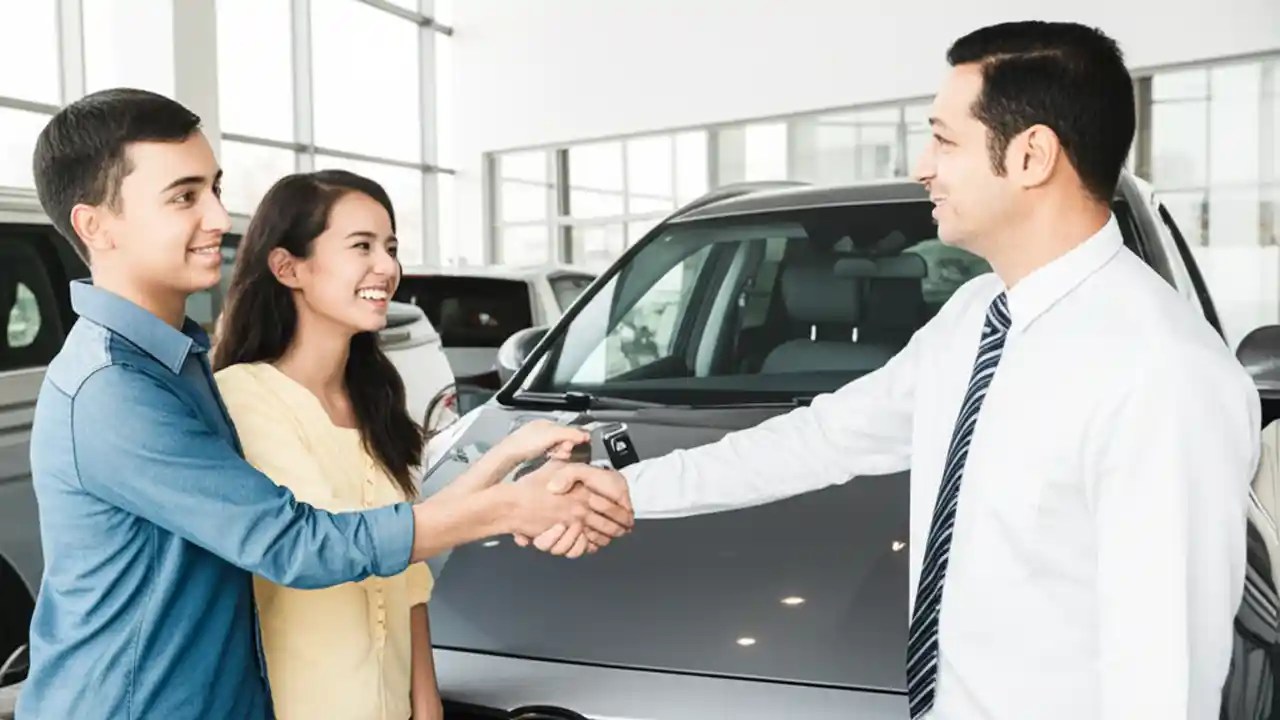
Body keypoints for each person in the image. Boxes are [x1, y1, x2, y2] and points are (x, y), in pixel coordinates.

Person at [527, 21, 1261, 720]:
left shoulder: (1163, 376)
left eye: (943, 139)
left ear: (1031, 156)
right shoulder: (976, 317)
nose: (922, 167)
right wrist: (627, 488)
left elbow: (1164, 682)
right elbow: (821, 439)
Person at [19, 88, 632, 720]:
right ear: (96, 225)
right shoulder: (114, 388)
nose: (219, 218)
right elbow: (299, 545)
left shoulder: (175, 362)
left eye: (214, 189)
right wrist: (509, 507)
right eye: (184, 197)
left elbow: (378, 536)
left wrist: (507, 472)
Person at [211, 169, 548, 720]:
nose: (387, 268)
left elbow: (406, 565)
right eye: (361, 246)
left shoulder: (375, 399)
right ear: (287, 266)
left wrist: (425, 702)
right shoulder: (246, 398)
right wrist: (504, 504)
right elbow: (325, 546)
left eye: (391, 247)